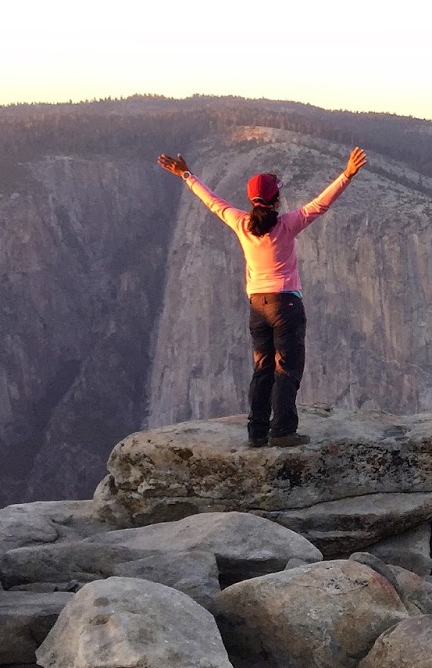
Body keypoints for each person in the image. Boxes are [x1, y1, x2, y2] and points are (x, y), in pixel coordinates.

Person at [156, 146, 368, 448]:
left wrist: (187, 175)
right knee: (287, 368)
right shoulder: (286, 225)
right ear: (276, 200)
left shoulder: (242, 223)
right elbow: (319, 205)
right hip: (287, 305)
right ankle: (282, 431)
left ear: (252, 199)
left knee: (263, 368)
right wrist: (346, 174)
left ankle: (256, 432)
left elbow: (213, 203)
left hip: (258, 306)